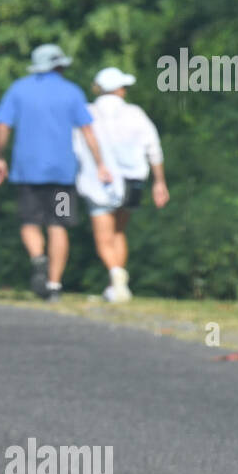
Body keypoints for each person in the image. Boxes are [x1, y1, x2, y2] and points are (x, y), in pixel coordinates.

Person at [0, 43, 111, 303]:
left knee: (29, 222)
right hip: (63, 175)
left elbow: (2, 125)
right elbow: (88, 131)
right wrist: (100, 163)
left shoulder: (19, 89)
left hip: (27, 171)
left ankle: (38, 258)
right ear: (60, 66)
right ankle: (54, 285)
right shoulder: (72, 92)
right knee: (59, 225)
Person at [74, 66, 170, 302]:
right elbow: (153, 149)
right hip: (132, 181)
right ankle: (117, 287)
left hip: (98, 182)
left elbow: (75, 148)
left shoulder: (86, 113)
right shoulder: (135, 113)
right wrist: (160, 182)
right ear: (117, 89)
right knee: (119, 232)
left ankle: (116, 275)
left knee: (103, 238)